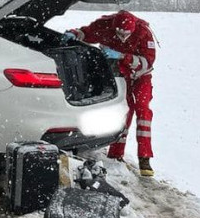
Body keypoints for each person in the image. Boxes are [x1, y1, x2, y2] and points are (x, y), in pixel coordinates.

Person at [64, 10, 156, 177]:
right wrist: (74, 33)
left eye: (126, 33)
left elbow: (147, 62)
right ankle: (116, 154)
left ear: (133, 29)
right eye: (119, 32)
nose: (122, 36)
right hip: (120, 76)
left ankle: (145, 158)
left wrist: (123, 56)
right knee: (124, 112)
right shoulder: (104, 25)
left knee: (143, 111)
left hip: (141, 76)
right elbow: (87, 33)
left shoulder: (144, 32)